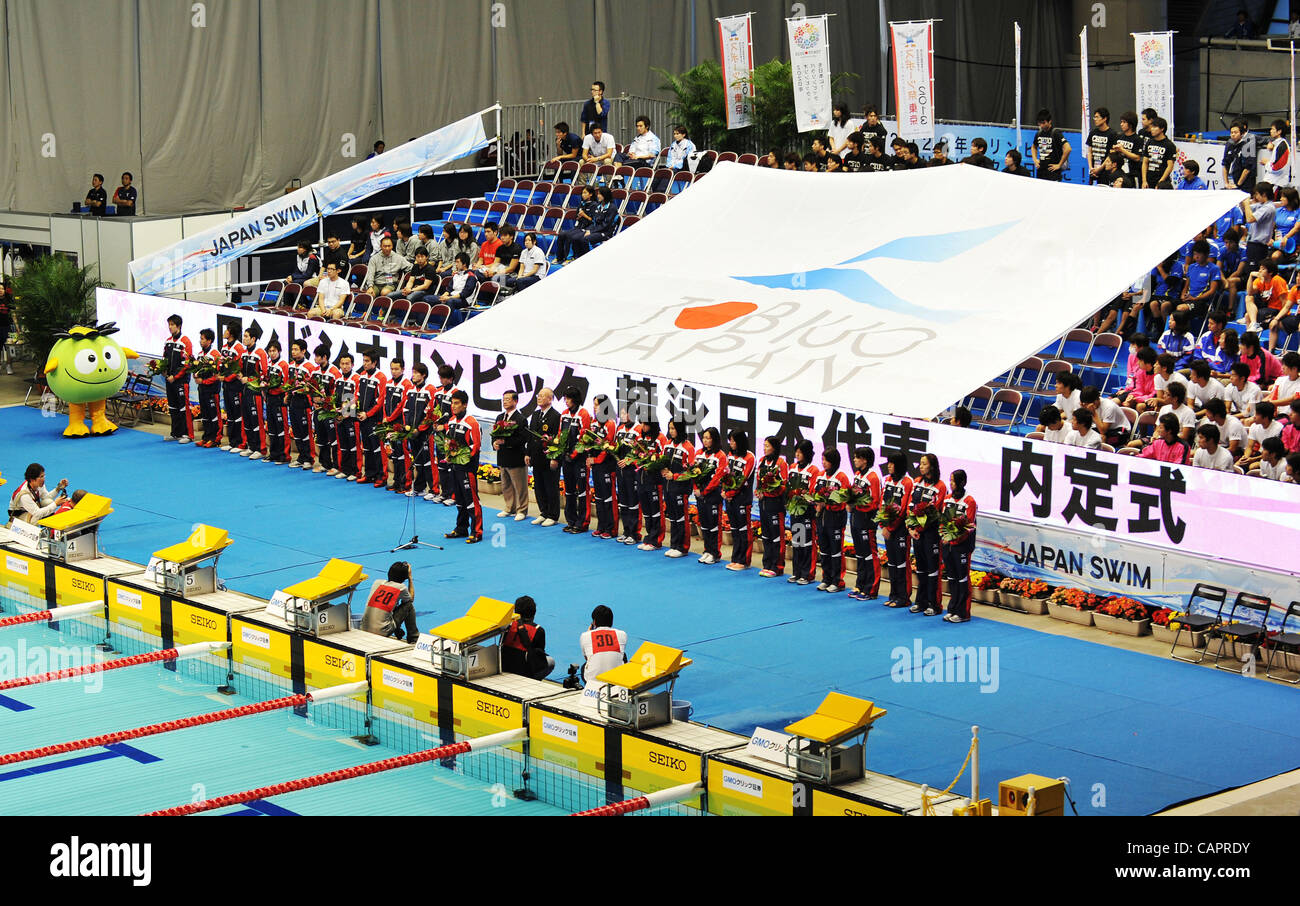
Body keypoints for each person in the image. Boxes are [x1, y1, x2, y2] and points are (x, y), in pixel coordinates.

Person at [907, 453, 947, 616]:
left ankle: (934, 604)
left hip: (931, 534)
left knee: (932, 570)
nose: (921, 466)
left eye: (924, 464)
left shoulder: (941, 486)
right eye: (920, 463)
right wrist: (911, 528)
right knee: (921, 569)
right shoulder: (916, 482)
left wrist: (920, 528)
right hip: (916, 533)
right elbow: (911, 506)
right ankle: (920, 601)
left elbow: (935, 512)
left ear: (932, 466)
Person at [443, 390, 483, 543]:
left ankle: (477, 531)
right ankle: (461, 528)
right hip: (455, 468)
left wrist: (461, 459)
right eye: (452, 403)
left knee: (471, 500)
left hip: (467, 469)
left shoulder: (472, 423)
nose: (453, 406)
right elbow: (449, 443)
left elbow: (475, 447)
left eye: (457, 403)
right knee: (459, 499)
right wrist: (449, 455)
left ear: (465, 405)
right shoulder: (451, 421)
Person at [941, 469, 977, 623]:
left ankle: (963, 613)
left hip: (962, 545)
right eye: (950, 480)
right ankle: (952, 608)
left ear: (962, 483)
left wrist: (955, 539)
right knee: (952, 577)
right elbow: (943, 520)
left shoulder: (970, 501)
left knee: (962, 578)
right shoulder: (948, 498)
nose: (951, 484)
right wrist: (944, 536)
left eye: (953, 481)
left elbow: (969, 526)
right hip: (948, 544)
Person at [812, 448, 850, 593]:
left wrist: (827, 504)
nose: (823, 463)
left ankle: (838, 581)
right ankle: (826, 578)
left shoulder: (841, 477)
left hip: (835, 519)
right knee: (825, 550)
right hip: (821, 518)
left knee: (836, 551)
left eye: (826, 460)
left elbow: (844, 500)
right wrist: (817, 503)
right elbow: (815, 493)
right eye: (822, 460)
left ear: (833, 462)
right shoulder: (821, 475)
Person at [400, 363, 438, 498]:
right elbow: (405, 410)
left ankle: (433, 490)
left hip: (425, 433)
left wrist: (420, 429)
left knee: (428, 461)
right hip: (412, 432)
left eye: (417, 373)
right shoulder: (410, 390)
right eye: (413, 372)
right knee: (417, 461)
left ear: (424, 375)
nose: (414, 375)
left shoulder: (430, 390)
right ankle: (419, 488)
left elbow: (431, 413)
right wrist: (407, 427)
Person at [785, 439, 820, 585]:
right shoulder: (792, 467)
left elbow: (812, 492)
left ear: (807, 454)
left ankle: (808, 574)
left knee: (807, 543)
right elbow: (788, 486)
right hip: (794, 510)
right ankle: (796, 572)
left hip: (807, 512)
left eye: (800, 452)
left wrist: (802, 496)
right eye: (796, 452)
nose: (797, 455)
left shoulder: (814, 470)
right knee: (797, 541)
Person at [881, 452, 914, 607]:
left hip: (900, 530)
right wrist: (883, 525)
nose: (889, 465)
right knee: (892, 563)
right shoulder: (887, 480)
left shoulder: (908, 482)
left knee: (902, 563)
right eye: (888, 462)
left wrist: (891, 527)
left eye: (892, 463)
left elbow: (903, 509)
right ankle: (893, 594)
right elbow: (882, 503)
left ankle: (904, 597)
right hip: (888, 528)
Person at [527, 387, 562, 526]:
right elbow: (531, 436)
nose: (539, 398)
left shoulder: (556, 416)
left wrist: (555, 458)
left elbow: (558, 439)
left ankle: (553, 515)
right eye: (538, 395)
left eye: (542, 396)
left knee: (550, 486)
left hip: (549, 458)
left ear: (550, 399)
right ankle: (544, 512)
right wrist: (527, 453)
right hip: (536, 457)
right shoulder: (535, 415)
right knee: (539, 486)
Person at [661, 419, 696, 559]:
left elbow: (691, 471)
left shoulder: (688, 447)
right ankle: (674, 545)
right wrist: (662, 469)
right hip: (668, 487)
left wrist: (674, 476)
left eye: (674, 428)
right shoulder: (667, 444)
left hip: (681, 488)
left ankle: (683, 547)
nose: (671, 431)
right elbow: (662, 461)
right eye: (669, 428)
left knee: (681, 518)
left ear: (680, 429)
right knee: (673, 517)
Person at [754, 436, 788, 577]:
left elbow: (783, 484)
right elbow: (758, 480)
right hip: (763, 503)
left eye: (767, 446)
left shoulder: (781, 463)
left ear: (774, 447)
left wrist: (771, 492)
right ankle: (767, 564)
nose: (764, 448)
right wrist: (759, 491)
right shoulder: (762, 461)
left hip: (776, 504)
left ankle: (777, 566)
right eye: (764, 445)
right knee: (766, 535)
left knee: (776, 536)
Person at [360, 561, 418, 644]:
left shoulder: (377, 582)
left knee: (389, 609)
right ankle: (414, 638)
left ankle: (397, 630)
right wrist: (410, 578)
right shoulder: (401, 587)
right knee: (408, 605)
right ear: (405, 577)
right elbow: (410, 599)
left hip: (364, 628)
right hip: (382, 632)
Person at [722, 430, 756, 571]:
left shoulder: (749, 457)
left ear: (741, 442)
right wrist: (724, 491)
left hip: (742, 499)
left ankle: (744, 560)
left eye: (734, 441)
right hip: (729, 498)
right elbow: (725, 473)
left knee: (743, 530)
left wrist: (730, 493)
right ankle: (735, 558)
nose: (731, 443)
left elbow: (743, 479)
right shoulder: (730, 455)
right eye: (730, 440)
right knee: (735, 529)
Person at [586, 394, 619, 539]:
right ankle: (601, 526)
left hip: (606, 466)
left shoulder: (610, 423)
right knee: (599, 497)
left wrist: (596, 460)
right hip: (595, 465)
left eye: (597, 404)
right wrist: (588, 456)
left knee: (608, 498)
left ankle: (611, 529)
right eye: (594, 404)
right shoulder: (594, 422)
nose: (594, 407)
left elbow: (609, 446)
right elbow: (587, 441)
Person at [694, 427, 728, 565]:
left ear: (714, 440)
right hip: (700, 495)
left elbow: (718, 477)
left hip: (713, 495)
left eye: (708, 438)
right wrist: (696, 489)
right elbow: (693, 473)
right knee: (705, 524)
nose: (705, 441)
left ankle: (715, 553)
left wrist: (705, 491)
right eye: (704, 438)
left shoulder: (720, 456)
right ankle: (707, 550)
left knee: (714, 525)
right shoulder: (699, 453)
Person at [355, 351, 388, 485]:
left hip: (375, 419)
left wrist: (368, 414)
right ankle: (369, 474)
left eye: (367, 361)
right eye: (363, 360)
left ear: (374, 362)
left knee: (377, 448)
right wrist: (346, 410)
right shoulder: (361, 376)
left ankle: (382, 476)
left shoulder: (381, 378)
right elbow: (356, 395)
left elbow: (380, 401)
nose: (364, 364)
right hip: (362, 418)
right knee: (367, 448)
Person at [501, 596, 554, 680]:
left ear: (516, 611)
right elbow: (540, 655)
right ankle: (534, 680)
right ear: (534, 612)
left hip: (505, 666)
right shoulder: (538, 630)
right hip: (524, 670)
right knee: (550, 661)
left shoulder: (508, 626)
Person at [236, 326, 268, 459]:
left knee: (256, 420)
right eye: (243, 336)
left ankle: (261, 449)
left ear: (253, 339)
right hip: (244, 391)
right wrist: (239, 374)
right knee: (247, 420)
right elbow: (240, 369)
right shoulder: (243, 353)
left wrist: (248, 379)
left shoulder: (260, 353)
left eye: (246, 336)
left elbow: (264, 374)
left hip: (255, 393)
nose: (243, 338)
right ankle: (251, 446)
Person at [380, 358, 412, 491]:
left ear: (403, 369)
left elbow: (401, 406)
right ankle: (396, 481)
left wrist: (390, 418)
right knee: (394, 454)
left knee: (402, 454)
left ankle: (406, 483)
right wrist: (385, 418)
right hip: (389, 423)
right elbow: (384, 402)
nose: (393, 371)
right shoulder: (388, 383)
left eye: (396, 369)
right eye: (392, 369)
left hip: (400, 423)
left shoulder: (406, 385)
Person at [161, 313, 194, 444]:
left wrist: (176, 377)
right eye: (169, 325)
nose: (170, 327)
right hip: (169, 380)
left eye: (172, 325)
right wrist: (163, 371)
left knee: (183, 407)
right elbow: (164, 358)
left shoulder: (185, 341)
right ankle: (175, 433)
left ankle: (188, 434)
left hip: (181, 381)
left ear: (179, 326)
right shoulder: (168, 341)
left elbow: (187, 363)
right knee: (173, 407)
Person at [578, 605, 626, 691]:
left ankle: (590, 690)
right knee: (622, 656)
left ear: (594, 622)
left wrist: (589, 632)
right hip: (616, 681)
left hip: (593, 681)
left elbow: (587, 658)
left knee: (584, 666)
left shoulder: (585, 635)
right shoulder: (622, 634)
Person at [284, 339, 316, 467]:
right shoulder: (290, 365)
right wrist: (287, 395)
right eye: (292, 349)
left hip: (304, 404)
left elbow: (314, 388)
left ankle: (309, 458)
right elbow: (288, 383)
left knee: (305, 432)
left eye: (296, 349)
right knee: (296, 431)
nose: (293, 352)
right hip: (293, 403)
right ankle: (301, 458)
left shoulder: (309, 367)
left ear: (304, 351)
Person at [261, 340, 292, 464]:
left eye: (274, 351)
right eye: (270, 351)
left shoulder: (283, 365)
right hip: (269, 399)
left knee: (281, 429)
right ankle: (273, 453)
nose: (272, 353)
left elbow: (286, 384)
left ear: (279, 351)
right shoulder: (269, 364)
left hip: (279, 400)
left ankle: (284, 455)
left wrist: (284, 396)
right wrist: (264, 388)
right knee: (272, 428)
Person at [191, 328, 224, 448]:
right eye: (200, 338)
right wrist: (195, 374)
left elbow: (217, 376)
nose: (200, 341)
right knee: (205, 414)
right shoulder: (200, 355)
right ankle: (206, 437)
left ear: (209, 341)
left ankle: (216, 438)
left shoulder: (215, 355)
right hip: (202, 389)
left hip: (212, 390)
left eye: (203, 339)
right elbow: (196, 370)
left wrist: (204, 381)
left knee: (214, 414)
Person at [332, 353, 362, 480]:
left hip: (351, 418)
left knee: (353, 445)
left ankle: (356, 471)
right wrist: (334, 411)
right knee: (343, 444)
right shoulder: (338, 379)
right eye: (342, 364)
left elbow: (355, 398)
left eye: (347, 364)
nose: (345, 366)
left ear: (352, 365)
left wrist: (345, 414)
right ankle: (345, 469)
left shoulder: (357, 379)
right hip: (340, 417)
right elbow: (335, 397)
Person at [217, 324, 245, 452]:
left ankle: (238, 442)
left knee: (237, 414)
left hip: (235, 386)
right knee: (230, 414)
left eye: (227, 329)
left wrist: (227, 378)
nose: (225, 331)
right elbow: (221, 364)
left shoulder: (238, 348)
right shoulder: (224, 347)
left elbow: (239, 368)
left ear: (232, 333)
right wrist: (220, 374)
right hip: (226, 386)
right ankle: (231, 441)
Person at [437, 253, 479, 328]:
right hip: (452, 297)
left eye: (457, 262)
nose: (456, 264)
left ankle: (442, 327)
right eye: (455, 262)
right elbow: (449, 289)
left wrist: (449, 298)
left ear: (464, 264)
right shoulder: (456, 274)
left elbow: (464, 294)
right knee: (428, 298)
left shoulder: (471, 276)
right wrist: (444, 296)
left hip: (464, 300)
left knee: (450, 301)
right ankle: (420, 324)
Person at [1032, 109, 1071, 181]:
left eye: (1043, 123)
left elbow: (1068, 148)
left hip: (1053, 171)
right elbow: (1034, 147)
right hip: (1041, 170)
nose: (1041, 125)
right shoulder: (1039, 133)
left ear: (1050, 121)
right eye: (1040, 123)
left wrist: (1059, 164)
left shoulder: (1055, 133)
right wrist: (1035, 160)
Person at [1140, 117, 1177, 189]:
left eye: (1155, 127)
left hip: (1163, 181)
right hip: (1149, 180)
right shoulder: (1149, 142)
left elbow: (1170, 166)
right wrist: (1144, 180)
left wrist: (1160, 182)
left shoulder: (1169, 145)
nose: (1152, 129)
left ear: (1162, 128)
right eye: (1151, 127)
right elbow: (1145, 162)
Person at [1085, 108, 1118, 184]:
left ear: (1104, 119)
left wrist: (1100, 169)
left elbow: (1111, 155)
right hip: (1093, 169)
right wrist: (1091, 168)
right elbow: (1089, 151)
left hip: (1105, 170)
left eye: (1097, 117)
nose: (1095, 119)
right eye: (1094, 117)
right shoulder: (1093, 132)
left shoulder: (1112, 134)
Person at [1224, 119, 1257, 194]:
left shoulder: (1248, 144)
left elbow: (1247, 169)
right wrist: (1226, 183)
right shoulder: (1229, 144)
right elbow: (1225, 164)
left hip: (1246, 184)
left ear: (1241, 134)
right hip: (1234, 180)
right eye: (1231, 132)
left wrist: (1238, 185)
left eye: (1235, 132)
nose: (1233, 134)